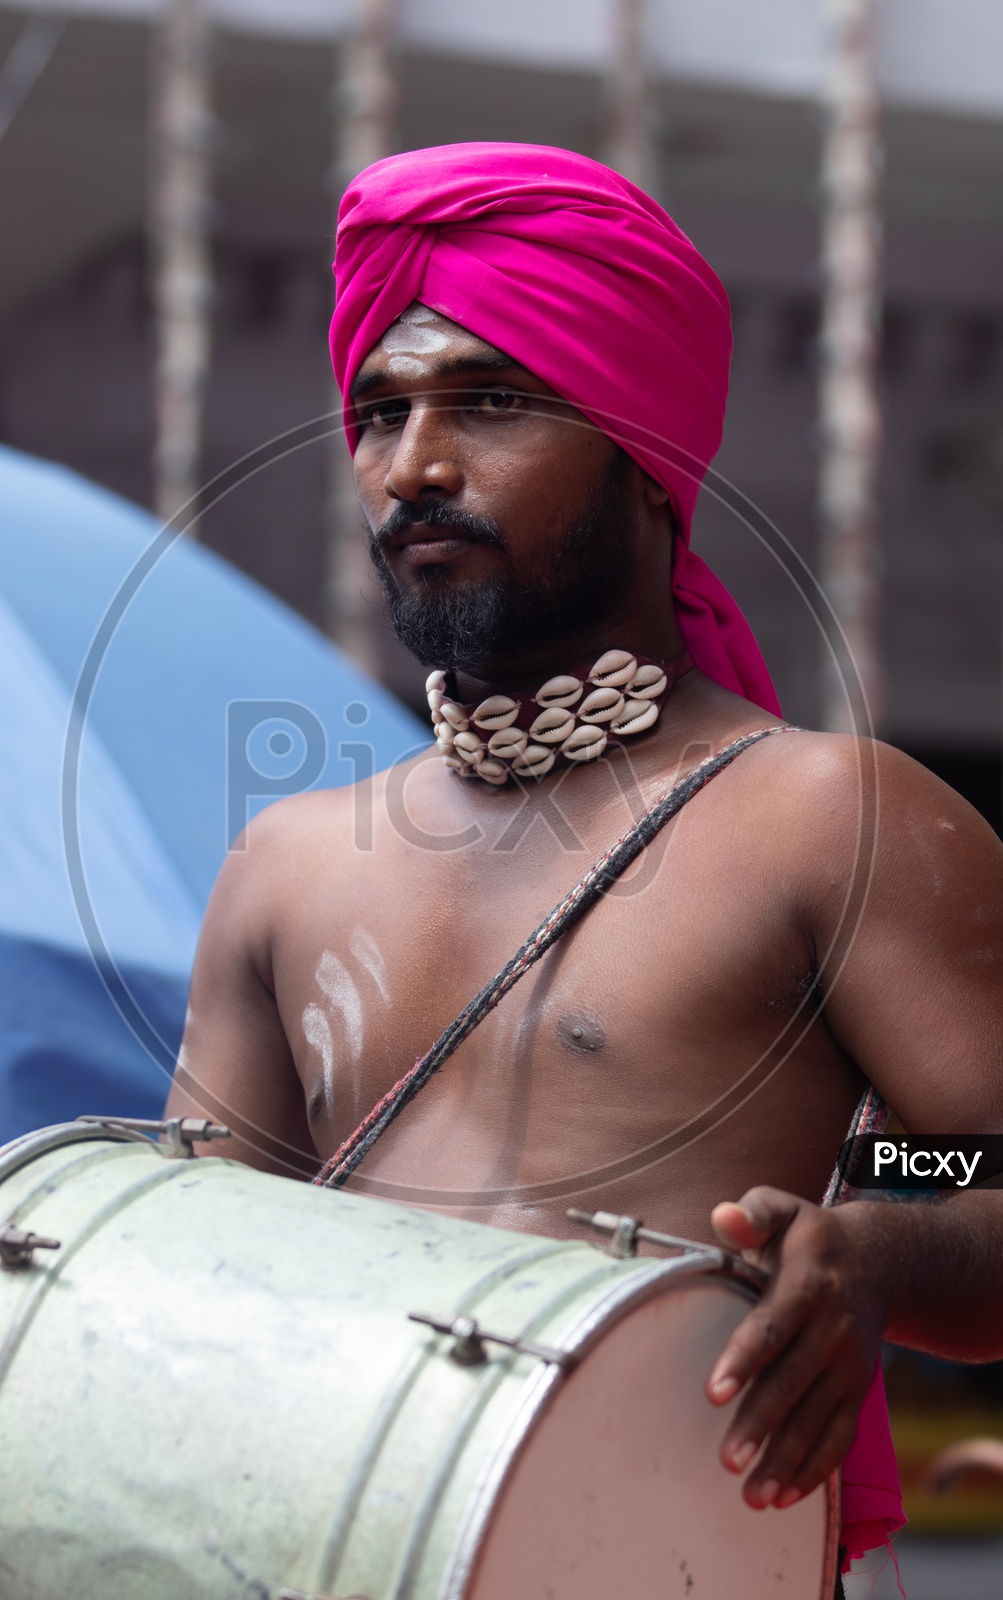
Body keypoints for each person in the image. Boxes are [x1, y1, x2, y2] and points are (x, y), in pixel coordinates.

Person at [165, 143, 1003, 1582]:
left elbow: (975, 1162)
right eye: (380, 411)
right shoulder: (287, 861)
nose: (416, 466)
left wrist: (885, 1239)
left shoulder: (830, 817)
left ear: (642, 454)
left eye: (492, 402)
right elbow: (204, 1267)